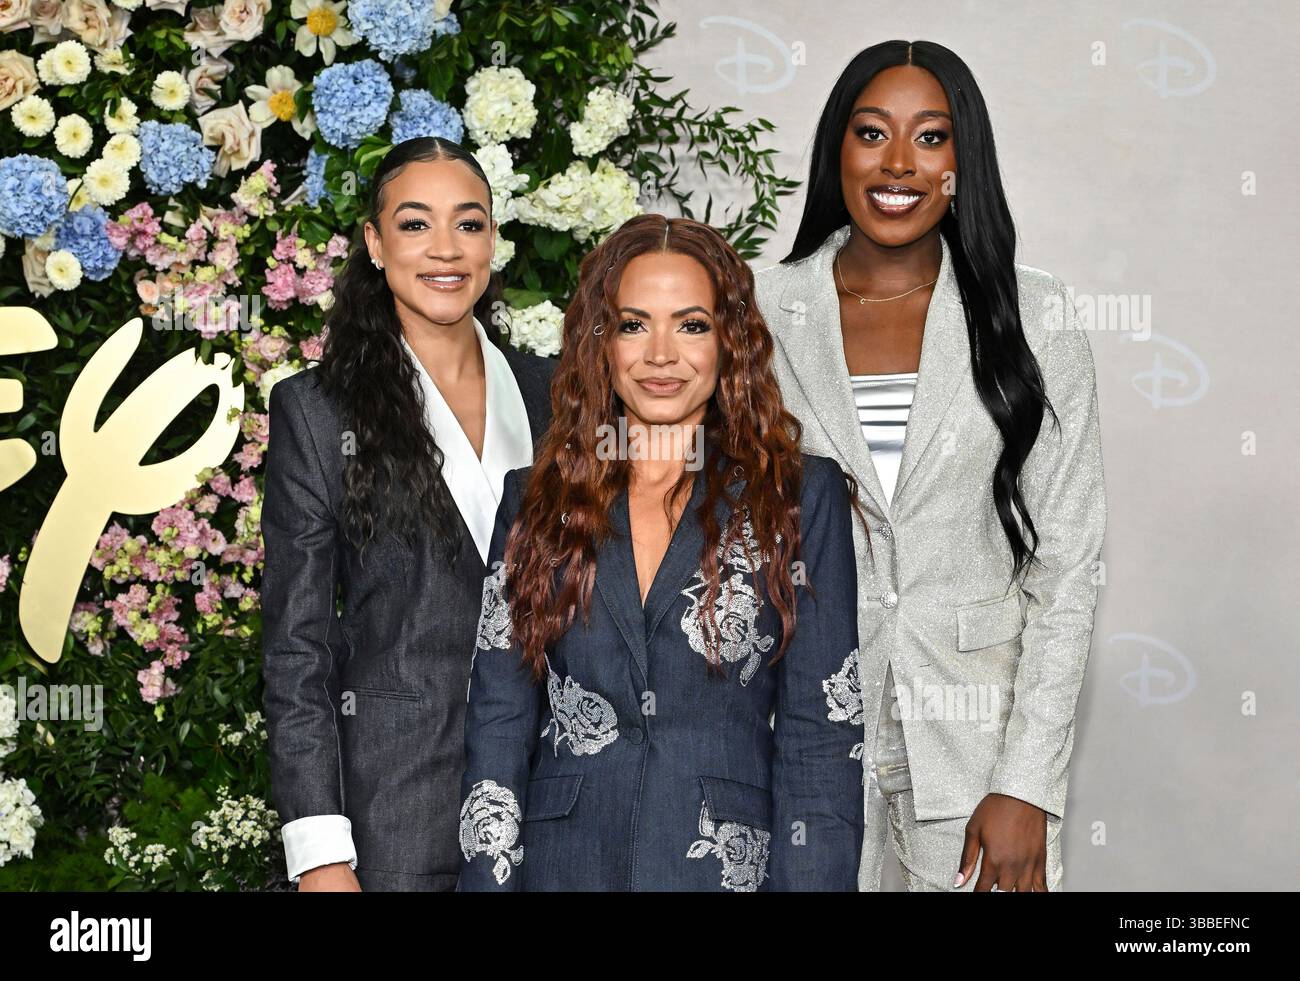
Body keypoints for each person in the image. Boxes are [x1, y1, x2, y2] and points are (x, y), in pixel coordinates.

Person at [753, 40, 1106, 892]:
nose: (899, 163)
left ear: (962, 160)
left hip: (978, 751)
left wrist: (1027, 784)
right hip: (800, 747)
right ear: (837, 146)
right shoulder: (762, 310)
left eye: (931, 137)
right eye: (872, 133)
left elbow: (1067, 567)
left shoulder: (1035, 314)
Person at [457, 214, 864, 891]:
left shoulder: (796, 496)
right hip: (563, 872)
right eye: (634, 324)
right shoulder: (534, 501)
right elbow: (498, 720)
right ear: (602, 343)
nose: (661, 354)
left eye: (692, 324)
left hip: (720, 871)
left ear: (730, 341)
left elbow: (823, 735)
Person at [261, 137, 554, 891]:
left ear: (494, 239)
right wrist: (322, 853)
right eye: (416, 224)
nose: (446, 249)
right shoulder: (320, 409)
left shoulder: (556, 394)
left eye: (470, 223)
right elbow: (297, 646)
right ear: (374, 241)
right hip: (397, 814)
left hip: (557, 801)